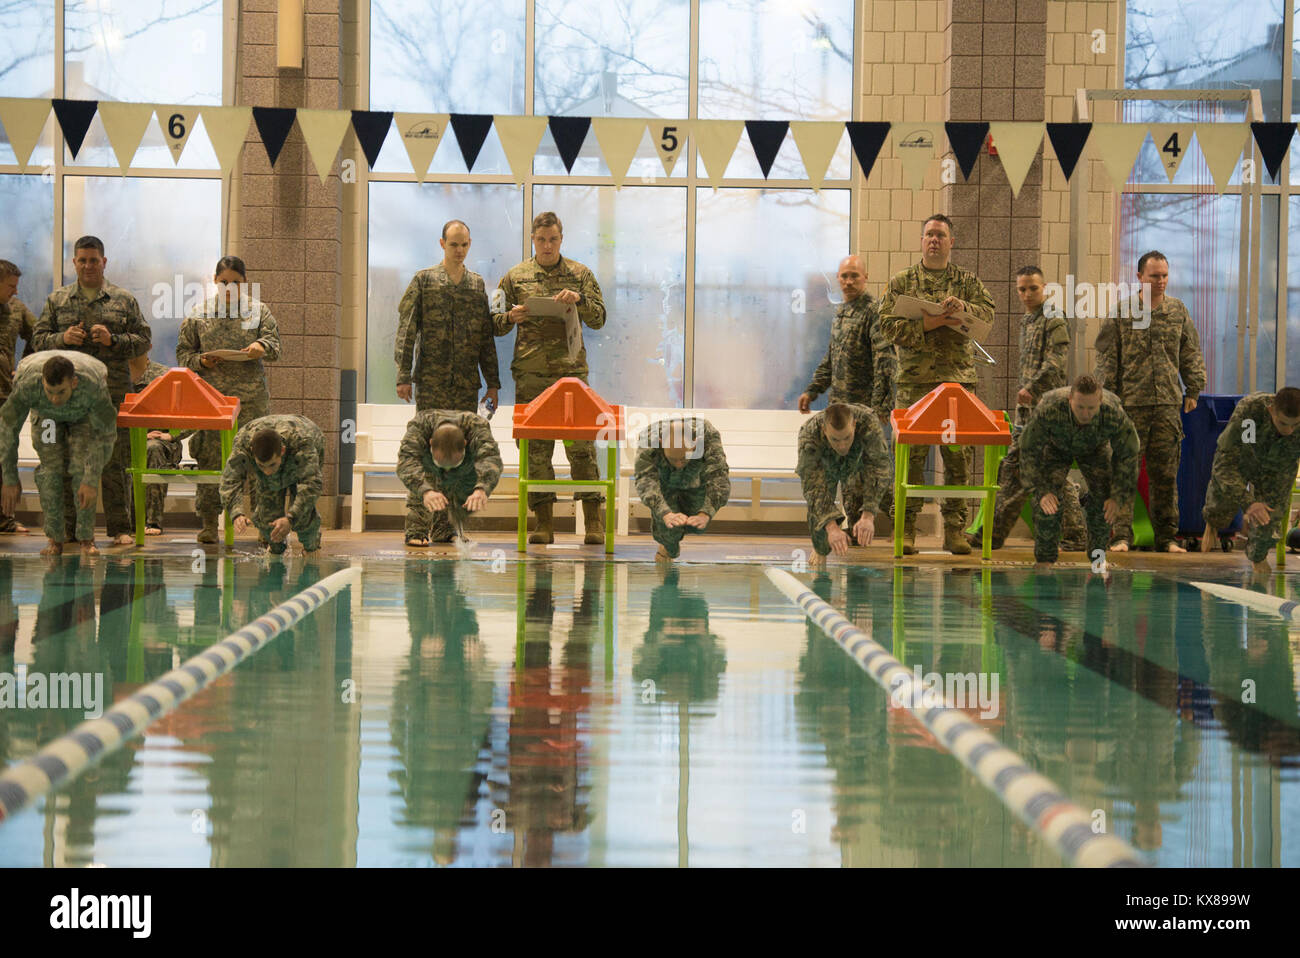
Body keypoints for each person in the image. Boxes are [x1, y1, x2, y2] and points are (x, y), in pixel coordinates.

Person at [878, 214, 995, 555]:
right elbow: (886, 326)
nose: (934, 240)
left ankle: (955, 531)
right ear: (921, 240)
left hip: (957, 383)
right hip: (915, 383)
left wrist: (964, 308)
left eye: (940, 235)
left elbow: (987, 316)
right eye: (929, 234)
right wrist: (926, 326)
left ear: (951, 242)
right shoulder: (902, 281)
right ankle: (906, 530)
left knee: (958, 458)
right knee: (910, 460)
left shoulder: (966, 282)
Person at [493, 211, 607, 545]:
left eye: (553, 239)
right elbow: (493, 321)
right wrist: (511, 316)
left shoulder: (580, 274)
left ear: (561, 239)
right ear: (532, 239)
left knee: (582, 450)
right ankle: (543, 523)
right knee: (535, 452)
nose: (547, 245)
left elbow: (599, 318)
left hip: (571, 379)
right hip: (531, 378)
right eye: (541, 239)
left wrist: (579, 299)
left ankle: (594, 524)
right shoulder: (515, 277)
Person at [31, 236, 151, 546]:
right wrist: (62, 338)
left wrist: (114, 340)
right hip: (67, 400)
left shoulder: (123, 300)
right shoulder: (57, 300)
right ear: (74, 263)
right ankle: (68, 530)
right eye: (82, 260)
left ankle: (120, 527)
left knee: (114, 462)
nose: (88, 265)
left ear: (104, 262)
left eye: (93, 260)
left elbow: (143, 340)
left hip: (109, 396)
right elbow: (38, 341)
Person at [1094, 250, 1207, 553]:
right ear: (1140, 277)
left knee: (1165, 476)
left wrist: (1194, 389)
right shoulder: (1122, 313)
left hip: (1167, 405)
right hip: (1129, 405)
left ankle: (1167, 537)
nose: (1161, 281)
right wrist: (1106, 398)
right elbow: (1106, 358)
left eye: (1165, 275)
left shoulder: (1177, 311)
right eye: (1155, 275)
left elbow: (1190, 352)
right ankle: (1120, 536)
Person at [974, 265, 1086, 551]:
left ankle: (1075, 534)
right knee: (1013, 469)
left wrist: (1032, 388)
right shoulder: (1028, 320)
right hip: (1027, 412)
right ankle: (993, 534)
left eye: (1032, 288)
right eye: (1021, 289)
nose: (1026, 294)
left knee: (1051, 473)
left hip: (1050, 410)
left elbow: (1056, 362)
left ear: (1044, 287)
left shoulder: (1053, 318)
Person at [176, 255, 281, 544]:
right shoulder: (199, 314)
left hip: (251, 400)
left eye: (235, 282)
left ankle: (263, 524)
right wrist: (201, 361)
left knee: (259, 461)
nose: (229, 287)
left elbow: (275, 346)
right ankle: (210, 523)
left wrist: (261, 346)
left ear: (245, 282)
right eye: (224, 282)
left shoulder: (258, 312)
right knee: (211, 460)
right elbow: (184, 354)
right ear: (214, 282)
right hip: (212, 400)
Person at [0, 352, 117, 556]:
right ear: (42, 383)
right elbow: (7, 429)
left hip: (82, 416)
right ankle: (54, 539)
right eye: (49, 391)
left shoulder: (93, 387)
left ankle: (86, 539)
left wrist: (90, 479)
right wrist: (9, 477)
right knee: (50, 471)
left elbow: (106, 433)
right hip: (47, 419)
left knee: (81, 471)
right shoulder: (28, 385)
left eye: (60, 392)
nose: (54, 398)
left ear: (73, 382)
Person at [1017, 375, 1141, 569]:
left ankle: (1098, 558)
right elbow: (1028, 450)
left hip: (1095, 448)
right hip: (1056, 446)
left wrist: (1118, 496)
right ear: (1070, 400)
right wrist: (1040, 491)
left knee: (1105, 504)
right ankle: (1045, 559)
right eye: (1080, 407)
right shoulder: (1050, 407)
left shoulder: (1113, 412)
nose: (1085, 414)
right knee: (1047, 502)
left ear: (1100, 402)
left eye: (1091, 408)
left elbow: (1129, 454)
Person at [395, 220, 499, 414]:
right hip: (431, 383)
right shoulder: (424, 280)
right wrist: (403, 376)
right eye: (453, 245)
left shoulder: (476, 285)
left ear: (470, 243)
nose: (459, 250)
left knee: (464, 439)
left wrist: (492, 385)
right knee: (429, 438)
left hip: (466, 385)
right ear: (442, 243)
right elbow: (406, 331)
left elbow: (485, 338)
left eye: (464, 245)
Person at [1198, 387, 1300, 576]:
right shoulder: (1250, 411)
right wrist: (1249, 502)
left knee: (1269, 517)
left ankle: (1258, 557)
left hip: (1278, 468)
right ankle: (1213, 522)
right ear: (1271, 410)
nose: (1289, 430)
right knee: (1223, 498)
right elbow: (1225, 465)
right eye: (1283, 423)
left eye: (1295, 425)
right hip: (1242, 458)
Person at [796, 402, 891, 569]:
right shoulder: (810, 434)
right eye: (835, 439)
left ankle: (903, 534)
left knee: (889, 495)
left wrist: (868, 515)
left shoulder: (868, 422)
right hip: (826, 470)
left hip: (859, 463)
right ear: (825, 430)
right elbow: (813, 488)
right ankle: (820, 550)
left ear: (854, 425)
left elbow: (879, 468)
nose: (842, 445)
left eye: (847, 437)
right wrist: (832, 528)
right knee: (821, 530)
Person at [219, 414, 324, 558]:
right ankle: (276, 549)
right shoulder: (242, 443)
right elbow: (230, 480)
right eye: (261, 466)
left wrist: (290, 518)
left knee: (303, 515)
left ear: (282, 451)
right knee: (267, 516)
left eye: (272, 465)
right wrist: (236, 513)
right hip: (275, 448)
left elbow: (311, 485)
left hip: (308, 438)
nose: (267, 472)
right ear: (251, 452)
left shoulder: (302, 443)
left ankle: (311, 549)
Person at [396, 408, 503, 547]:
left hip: (465, 466)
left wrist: (481, 489)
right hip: (428, 462)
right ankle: (417, 529)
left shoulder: (477, 427)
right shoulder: (420, 426)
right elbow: (406, 462)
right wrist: (426, 491)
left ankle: (445, 529)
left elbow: (491, 459)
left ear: (465, 444)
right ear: (431, 443)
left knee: (470, 477)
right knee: (422, 478)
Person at [633, 416, 731, 562]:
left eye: (683, 459)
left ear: (695, 445)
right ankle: (667, 550)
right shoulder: (649, 439)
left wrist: (705, 513)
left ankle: (673, 540)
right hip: (665, 482)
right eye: (673, 459)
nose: (679, 464)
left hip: (694, 479)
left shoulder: (707, 435)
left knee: (698, 526)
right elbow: (645, 480)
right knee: (670, 530)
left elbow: (718, 477)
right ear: (661, 444)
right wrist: (664, 513)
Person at [127, 352, 186, 536]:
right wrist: (140, 435)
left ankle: (152, 521)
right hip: (127, 437)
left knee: (152, 449)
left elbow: (188, 414)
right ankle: (126, 524)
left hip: (163, 441)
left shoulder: (165, 377)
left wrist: (173, 435)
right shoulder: (116, 377)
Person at [0, 259, 36, 534]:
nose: (15, 291)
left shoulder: (17, 309)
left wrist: (23, 368)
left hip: (4, 393)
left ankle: (4, 519)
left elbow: (38, 336)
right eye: (10, 286)